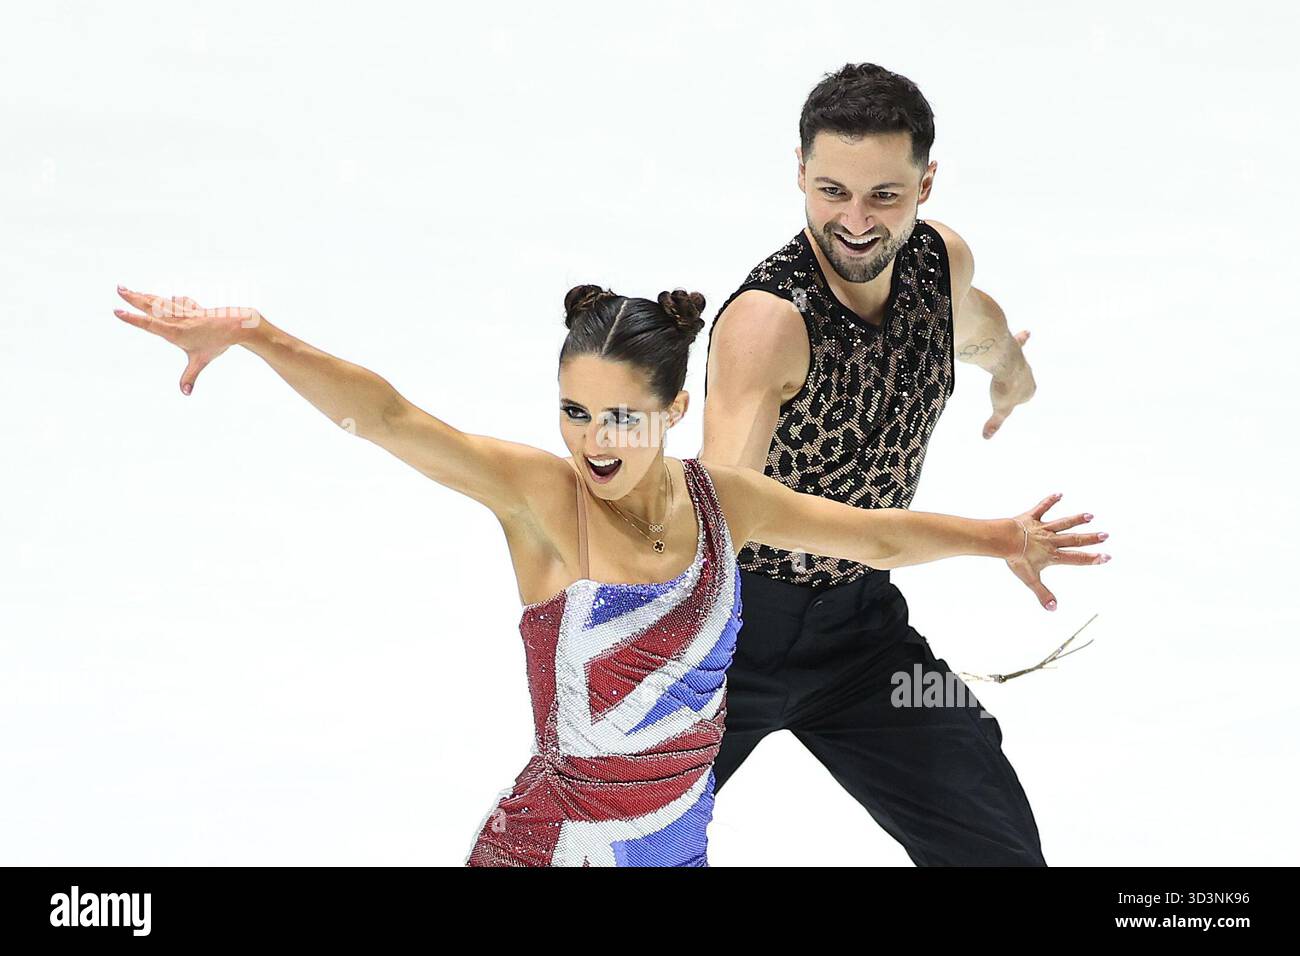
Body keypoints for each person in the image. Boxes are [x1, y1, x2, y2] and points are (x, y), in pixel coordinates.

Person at [112, 280, 1108, 866]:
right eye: (574, 409)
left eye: (620, 414)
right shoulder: (541, 502)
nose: (592, 437)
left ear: (675, 411)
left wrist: (996, 538)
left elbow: (871, 537)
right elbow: (388, 418)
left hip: (673, 851)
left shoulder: (724, 502)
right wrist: (257, 335)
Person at [698, 62, 1079, 865]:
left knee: (995, 834)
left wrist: (1011, 374)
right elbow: (720, 523)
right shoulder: (769, 323)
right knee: (603, 843)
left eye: (884, 195)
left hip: (865, 639)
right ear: (799, 174)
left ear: (926, 183)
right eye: (831, 191)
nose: (857, 221)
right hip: (729, 652)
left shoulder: (940, 262)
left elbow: (974, 330)